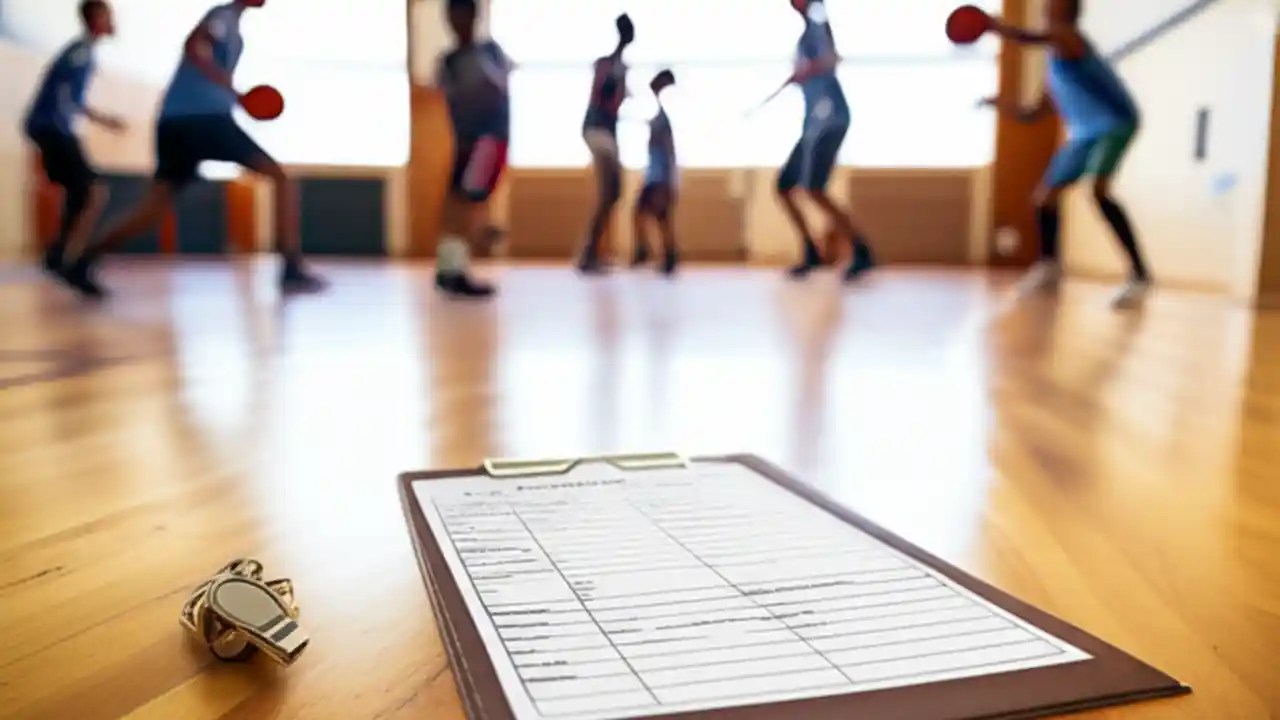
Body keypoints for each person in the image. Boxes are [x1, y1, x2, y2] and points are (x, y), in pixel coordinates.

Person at [64, 0, 326, 299]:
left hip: (172, 122)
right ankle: (290, 268)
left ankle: (83, 259)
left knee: (152, 211)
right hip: (204, 120)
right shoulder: (222, 17)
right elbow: (194, 46)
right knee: (281, 179)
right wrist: (232, 90)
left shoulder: (229, 22)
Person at [983, 0, 1150, 308]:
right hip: (1084, 133)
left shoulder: (1069, 38)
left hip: (1114, 123)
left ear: (1067, 10)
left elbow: (1032, 38)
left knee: (1099, 191)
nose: (1047, 5)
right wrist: (1001, 105)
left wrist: (998, 28)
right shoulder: (1054, 65)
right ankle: (1049, 266)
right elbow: (1031, 113)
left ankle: (1140, 276)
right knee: (1044, 198)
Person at [25, 0, 125, 281]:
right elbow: (63, 97)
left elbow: (70, 97)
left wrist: (103, 120)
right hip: (54, 128)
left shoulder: (81, 51)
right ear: (95, 19)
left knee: (79, 193)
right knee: (93, 192)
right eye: (108, 15)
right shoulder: (81, 53)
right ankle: (69, 259)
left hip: (51, 127)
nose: (113, 21)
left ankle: (60, 254)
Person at [778, 0, 874, 282]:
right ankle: (811, 251)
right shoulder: (806, 33)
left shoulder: (819, 24)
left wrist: (806, 70)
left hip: (829, 120)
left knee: (814, 188)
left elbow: (831, 59)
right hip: (812, 126)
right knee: (785, 185)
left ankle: (861, 250)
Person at [432, 0, 512, 298]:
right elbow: (450, 100)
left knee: (466, 205)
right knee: (456, 205)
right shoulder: (449, 61)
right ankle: (449, 270)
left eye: (464, 15)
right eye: (453, 16)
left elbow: (496, 90)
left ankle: (456, 270)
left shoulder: (490, 52)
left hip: (488, 141)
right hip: (465, 142)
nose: (458, 21)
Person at [576, 14, 634, 274]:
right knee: (608, 191)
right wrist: (618, 78)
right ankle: (588, 255)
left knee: (615, 192)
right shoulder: (608, 65)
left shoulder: (619, 67)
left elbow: (616, 101)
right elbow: (604, 95)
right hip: (597, 130)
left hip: (608, 132)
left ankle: (595, 251)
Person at [631, 69, 679, 276]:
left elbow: (668, 150)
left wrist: (669, 179)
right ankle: (662, 254)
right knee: (652, 215)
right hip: (656, 174)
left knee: (658, 215)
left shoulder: (664, 117)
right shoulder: (658, 114)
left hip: (660, 176)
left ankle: (666, 255)